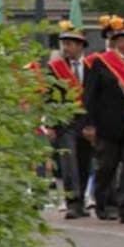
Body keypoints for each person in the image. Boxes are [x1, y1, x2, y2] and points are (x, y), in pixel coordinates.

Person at [84, 16, 124, 224]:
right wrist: (89, 124)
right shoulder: (101, 63)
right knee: (107, 168)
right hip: (107, 125)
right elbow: (90, 96)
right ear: (119, 40)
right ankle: (105, 204)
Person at [45, 20, 93, 219]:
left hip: (87, 121)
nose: (66, 48)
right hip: (66, 122)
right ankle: (72, 203)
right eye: (64, 44)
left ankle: (81, 201)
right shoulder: (55, 68)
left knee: (84, 162)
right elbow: (49, 97)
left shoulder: (92, 66)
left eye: (70, 44)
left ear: (80, 46)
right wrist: (50, 124)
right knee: (68, 162)